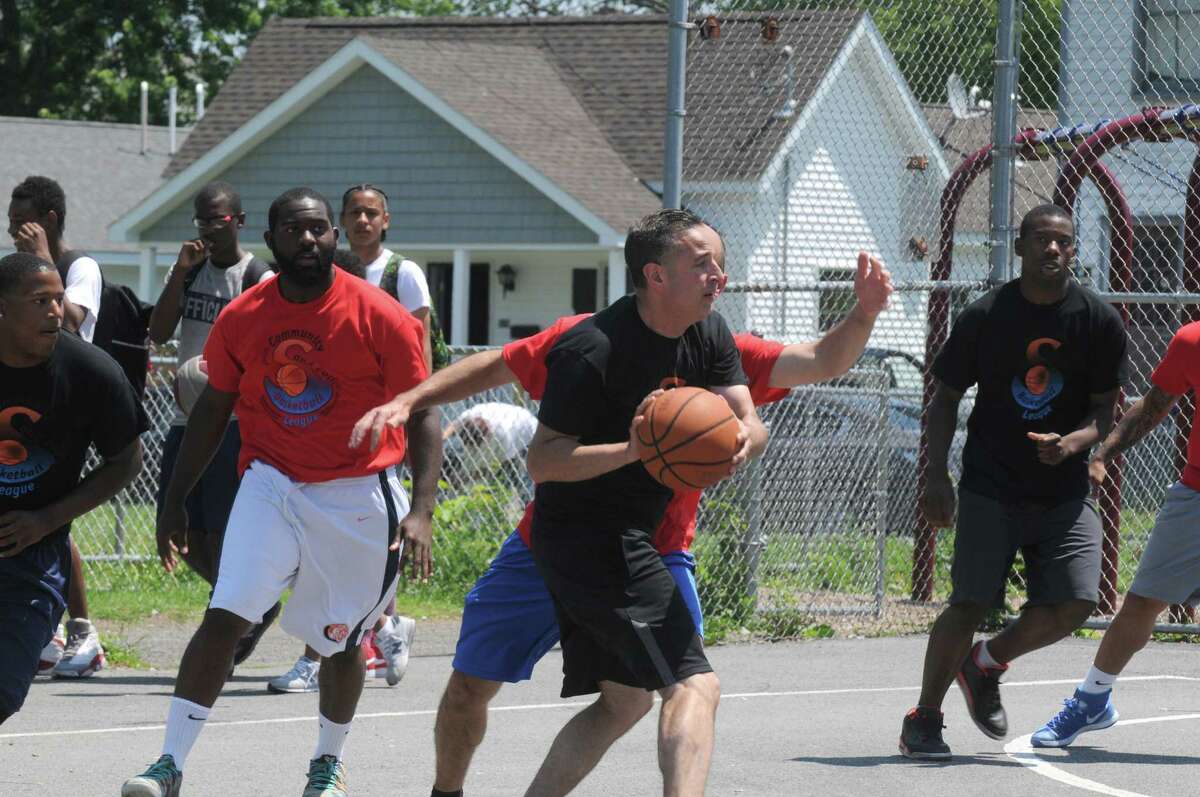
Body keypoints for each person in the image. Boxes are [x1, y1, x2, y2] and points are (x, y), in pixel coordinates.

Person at [351, 251, 893, 797]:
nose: (717, 277)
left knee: (642, 696)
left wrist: (862, 314)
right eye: (702, 264)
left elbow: (819, 359)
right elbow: (499, 364)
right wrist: (410, 399)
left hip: (655, 550)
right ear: (657, 276)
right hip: (553, 541)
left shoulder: (717, 350)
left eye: (720, 264)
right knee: (471, 685)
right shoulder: (592, 341)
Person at [122, 188, 441, 797]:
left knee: (340, 638)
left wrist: (423, 508)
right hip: (271, 483)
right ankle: (169, 763)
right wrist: (175, 499)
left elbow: (423, 410)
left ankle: (327, 764)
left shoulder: (379, 314)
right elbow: (213, 409)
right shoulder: (245, 316)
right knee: (225, 616)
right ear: (271, 241)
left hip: (357, 492)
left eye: (319, 228)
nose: (309, 239)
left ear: (334, 237)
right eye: (294, 230)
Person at [899, 204, 1128, 760]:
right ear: (1020, 246)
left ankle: (985, 663)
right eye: (1042, 239)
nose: (1053, 249)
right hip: (991, 487)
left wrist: (1072, 444)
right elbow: (945, 397)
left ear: (1073, 250)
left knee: (1077, 602)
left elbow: (1105, 410)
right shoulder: (986, 315)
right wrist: (936, 474)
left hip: (1064, 492)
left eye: (1064, 241)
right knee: (969, 603)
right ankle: (923, 719)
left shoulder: (1097, 320)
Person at [267, 186, 431, 694]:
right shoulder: (315, 271)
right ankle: (382, 628)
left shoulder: (400, 273)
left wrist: (409, 411)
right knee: (331, 553)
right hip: (317, 425)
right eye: (353, 212)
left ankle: (325, 653)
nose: (362, 220)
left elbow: (419, 351)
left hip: (379, 426)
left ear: (385, 219)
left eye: (370, 212)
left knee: (356, 549)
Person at [1028, 316, 1200, 747]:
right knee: (1142, 602)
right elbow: (1155, 404)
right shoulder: (1192, 340)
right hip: (1196, 496)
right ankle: (1092, 701)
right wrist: (1104, 453)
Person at [0, 252, 144, 724]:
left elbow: (126, 461)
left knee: (3, 689)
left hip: (32, 559)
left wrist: (47, 519)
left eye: (59, 299)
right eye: (39, 301)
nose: (55, 311)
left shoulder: (90, 371)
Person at [146, 181, 276, 668]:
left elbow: (266, 349)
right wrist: (180, 273)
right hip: (186, 417)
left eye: (217, 220)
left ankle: (235, 615)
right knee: (179, 530)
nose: (208, 229)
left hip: (230, 420)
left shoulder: (257, 277)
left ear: (238, 221)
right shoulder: (190, 270)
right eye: (201, 220)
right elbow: (159, 331)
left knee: (220, 532)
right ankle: (252, 606)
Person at [9, 175, 109, 678]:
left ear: (48, 220)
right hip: (26, 404)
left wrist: (44, 258)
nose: (13, 231)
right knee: (35, 516)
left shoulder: (79, 267)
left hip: (69, 407)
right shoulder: (19, 271)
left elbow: (69, 324)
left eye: (21, 220)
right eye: (9, 221)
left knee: (54, 519)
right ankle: (48, 629)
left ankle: (83, 632)